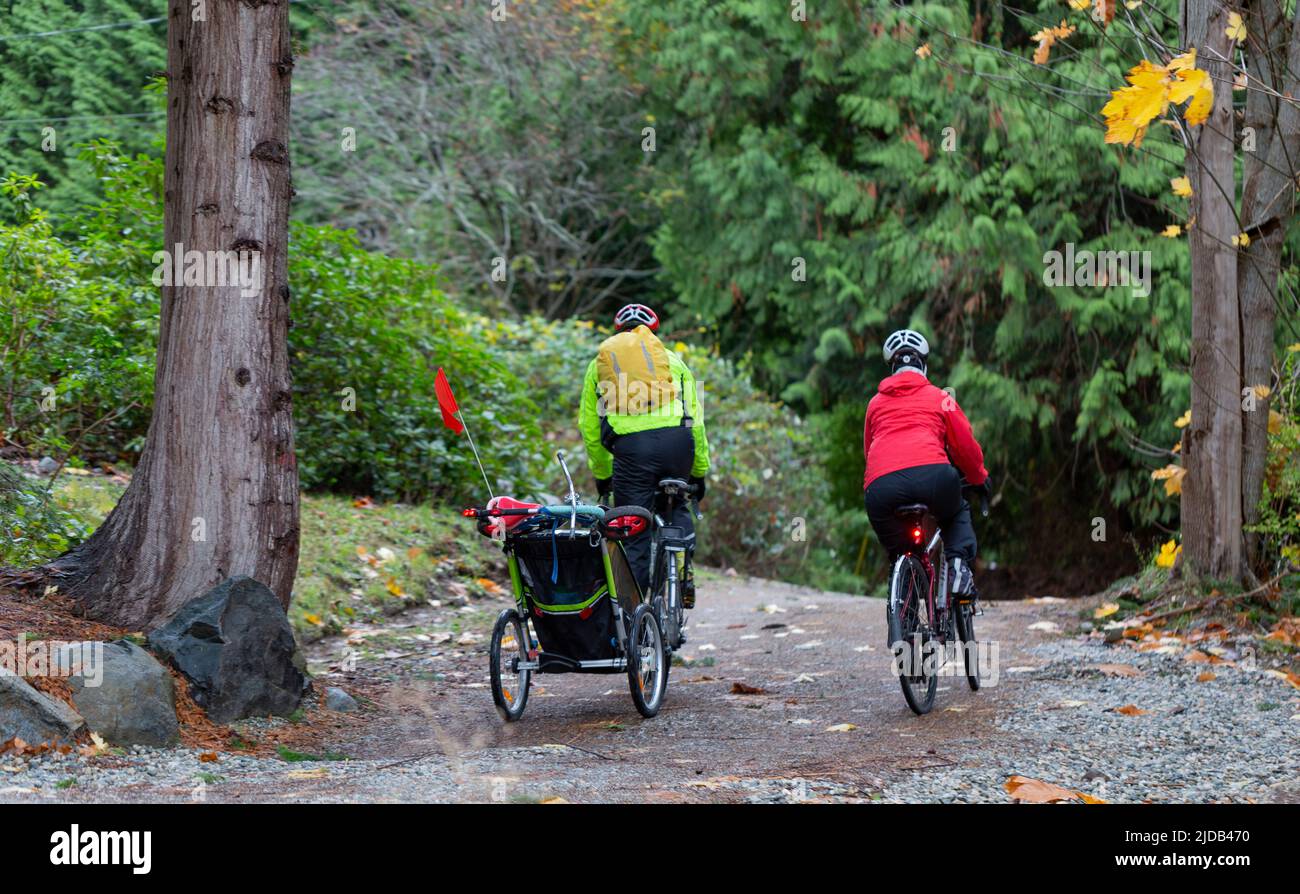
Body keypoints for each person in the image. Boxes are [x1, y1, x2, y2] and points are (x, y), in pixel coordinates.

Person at [579, 304, 710, 603]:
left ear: (617, 334)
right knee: (676, 505)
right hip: (678, 444)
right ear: (653, 332)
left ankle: (634, 619)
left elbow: (589, 426)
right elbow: (696, 419)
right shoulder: (672, 361)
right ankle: (682, 576)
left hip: (632, 452)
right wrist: (699, 471)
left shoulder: (598, 366)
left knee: (633, 531)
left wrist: (603, 475)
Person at [863, 329, 990, 603]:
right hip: (934, 476)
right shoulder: (940, 397)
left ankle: (905, 597)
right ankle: (958, 565)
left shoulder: (875, 404)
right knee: (956, 513)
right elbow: (965, 447)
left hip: (881, 487)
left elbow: (869, 452)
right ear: (923, 364)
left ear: (892, 367)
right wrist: (978, 478)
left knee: (900, 550)